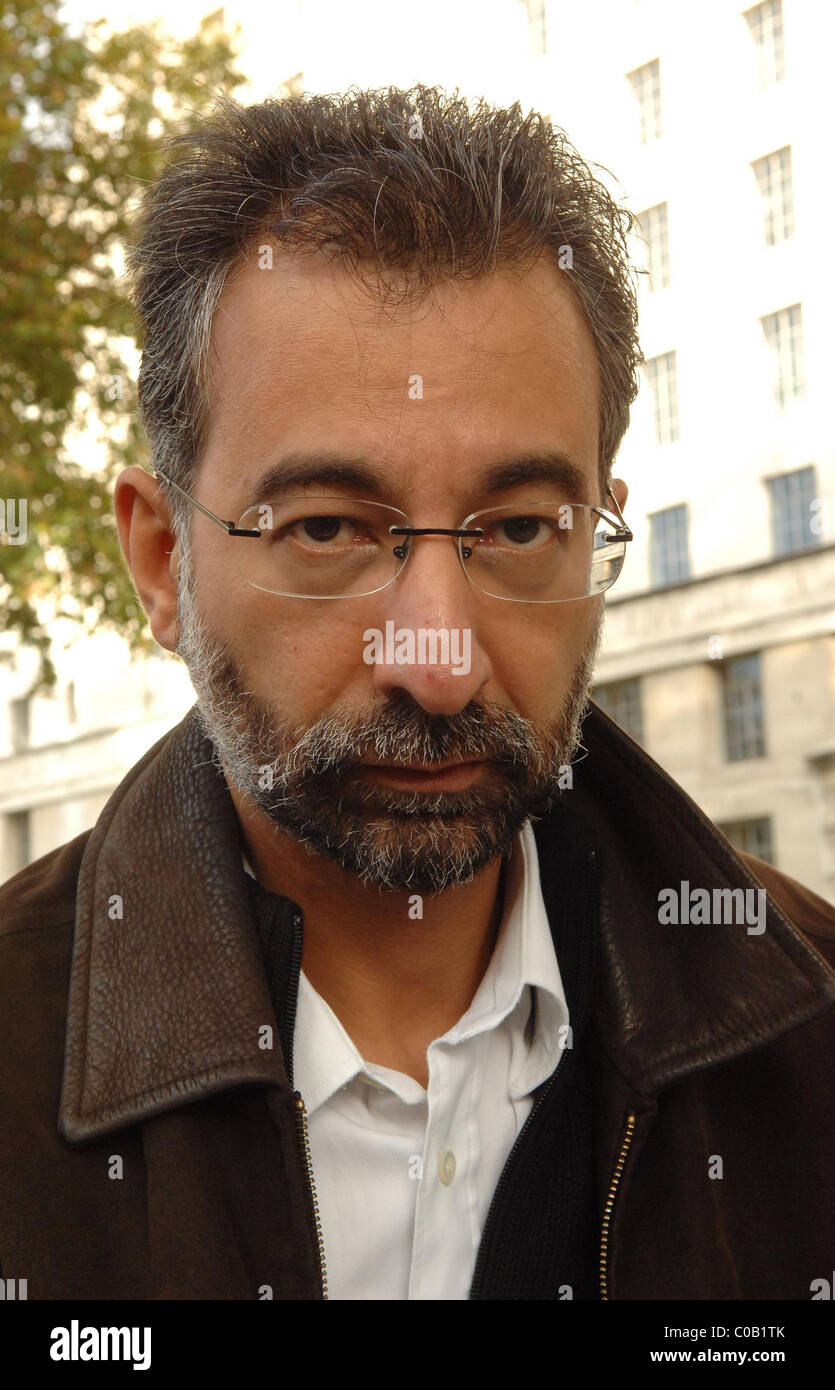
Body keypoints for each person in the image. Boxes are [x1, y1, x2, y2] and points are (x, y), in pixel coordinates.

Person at [1, 85, 832, 1302]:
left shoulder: (808, 1030)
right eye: (330, 526)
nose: (438, 660)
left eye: (513, 528)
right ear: (163, 560)